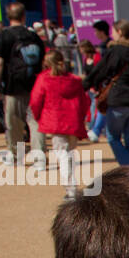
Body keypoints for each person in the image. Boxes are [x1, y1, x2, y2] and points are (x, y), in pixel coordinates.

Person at [84, 19, 129, 166]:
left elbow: (100, 70)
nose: (112, 35)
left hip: (119, 100)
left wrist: (87, 84)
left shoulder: (116, 51)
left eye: (114, 31)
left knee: (113, 137)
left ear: (119, 32)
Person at [0, 2, 48, 161]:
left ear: (8, 17)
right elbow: (43, 62)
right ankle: (40, 156)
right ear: (24, 16)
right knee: (35, 122)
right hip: (34, 85)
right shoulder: (33, 36)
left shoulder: (4, 36)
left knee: (14, 123)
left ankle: (16, 155)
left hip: (12, 86)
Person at [30, 49, 91, 198]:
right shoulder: (74, 80)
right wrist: (81, 117)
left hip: (56, 120)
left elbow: (35, 100)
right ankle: (71, 185)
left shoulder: (44, 79)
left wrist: (38, 117)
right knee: (68, 153)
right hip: (73, 120)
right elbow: (84, 101)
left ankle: (70, 187)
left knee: (62, 154)